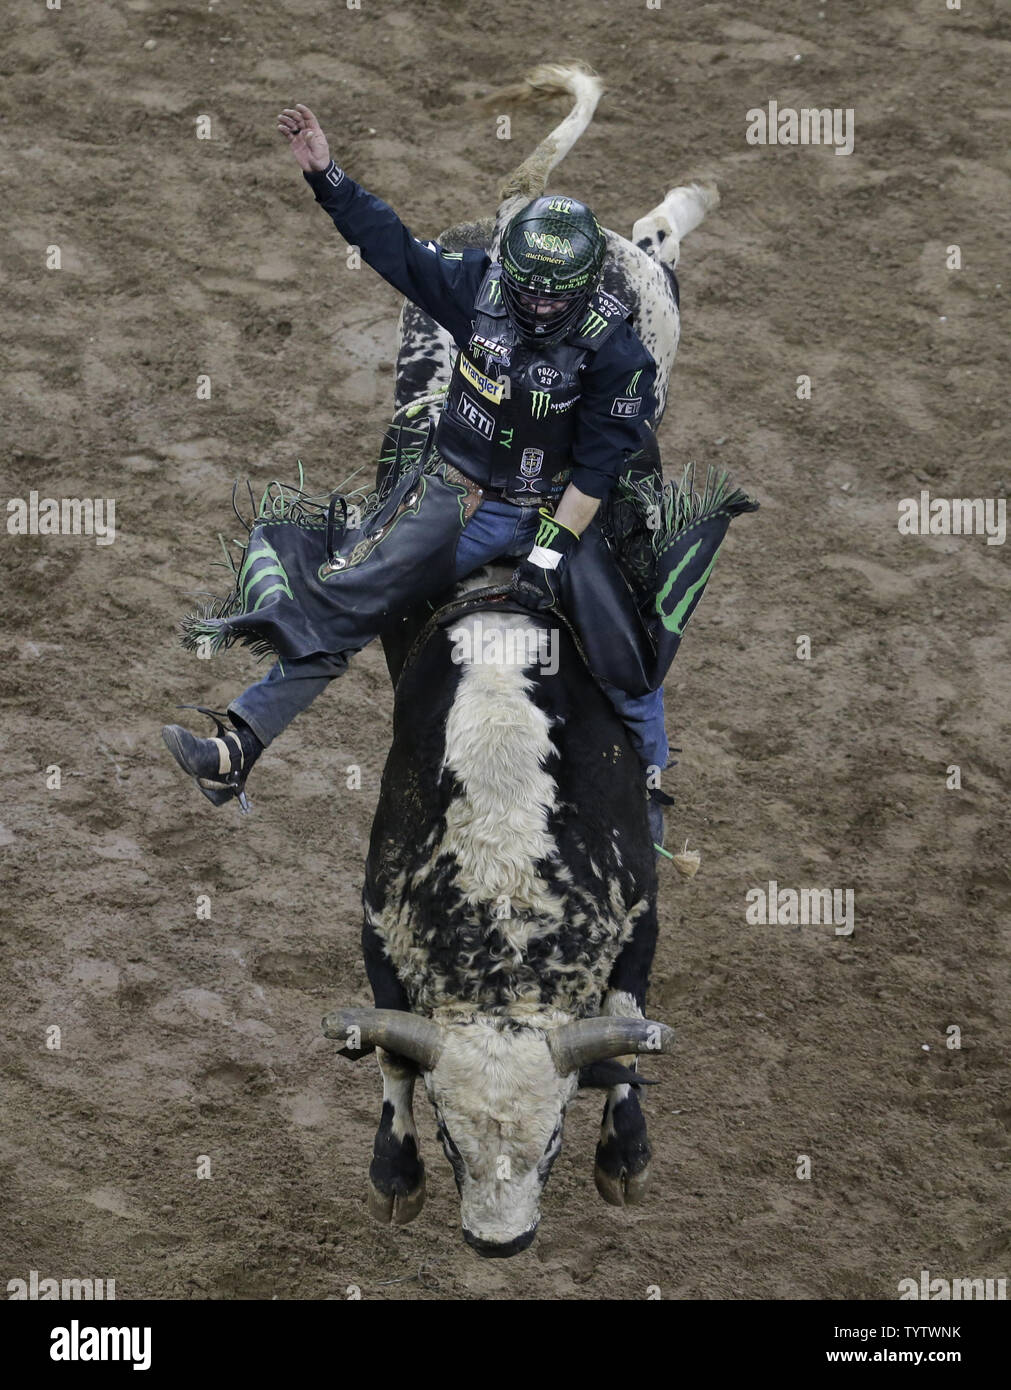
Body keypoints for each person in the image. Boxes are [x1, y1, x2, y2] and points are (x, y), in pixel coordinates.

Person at [163, 104, 671, 844]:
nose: (532, 303)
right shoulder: (478, 286)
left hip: (555, 509)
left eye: (548, 293)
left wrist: (545, 557)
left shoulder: (617, 354)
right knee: (342, 604)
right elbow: (394, 250)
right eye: (523, 286)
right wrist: (327, 178)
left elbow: (594, 473)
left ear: (586, 286)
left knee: (624, 640)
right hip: (453, 496)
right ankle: (238, 742)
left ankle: (651, 790)